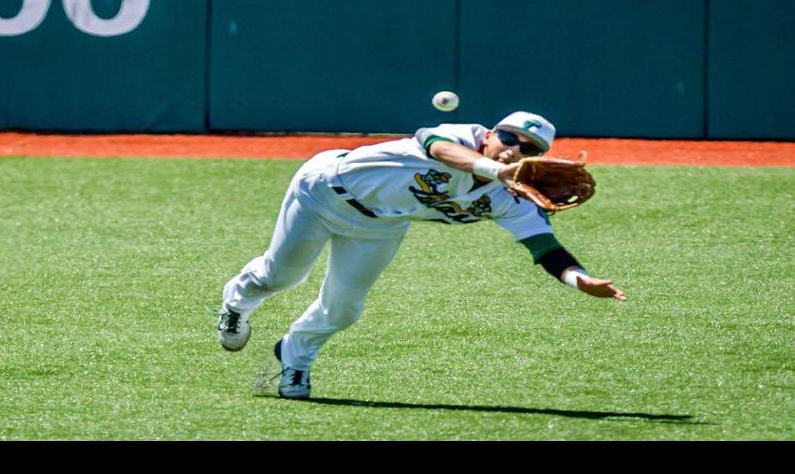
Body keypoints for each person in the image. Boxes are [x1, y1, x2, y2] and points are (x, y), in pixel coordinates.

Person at [217, 111, 627, 400]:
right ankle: (237, 302)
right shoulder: (459, 136)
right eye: (509, 137)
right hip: (321, 192)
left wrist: (578, 278)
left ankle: (295, 356)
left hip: (380, 224)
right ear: (490, 134)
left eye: (528, 147)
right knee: (281, 277)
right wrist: (495, 169)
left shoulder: (512, 197)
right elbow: (438, 149)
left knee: (344, 309)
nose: (514, 149)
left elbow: (545, 247)